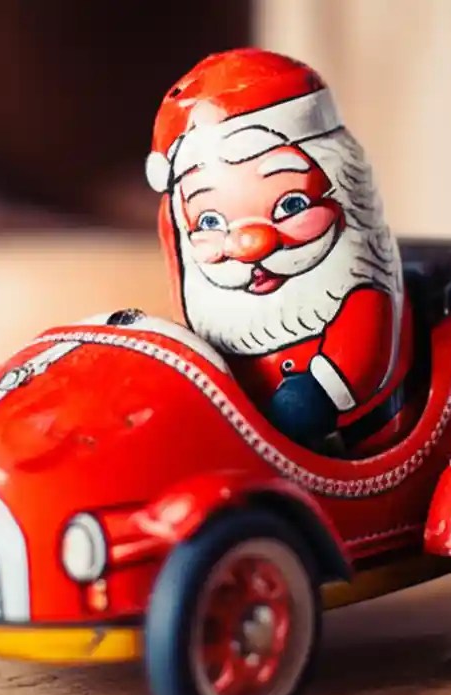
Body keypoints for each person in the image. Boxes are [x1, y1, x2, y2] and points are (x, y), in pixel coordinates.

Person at [145, 47, 414, 456]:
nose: (251, 245)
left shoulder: (356, 291)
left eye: (292, 205)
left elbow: (364, 347)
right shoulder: (211, 314)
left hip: (355, 435)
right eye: (211, 223)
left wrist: (318, 394)